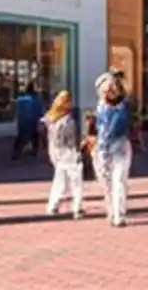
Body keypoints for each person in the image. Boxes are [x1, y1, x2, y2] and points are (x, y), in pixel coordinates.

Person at [93, 73, 133, 228]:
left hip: (118, 146)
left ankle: (118, 214)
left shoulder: (122, 106)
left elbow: (114, 127)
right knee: (107, 182)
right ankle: (113, 211)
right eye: (105, 88)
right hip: (103, 148)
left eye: (112, 87)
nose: (108, 91)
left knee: (118, 181)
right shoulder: (100, 106)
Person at [43, 91, 84, 219]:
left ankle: (52, 205)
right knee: (76, 181)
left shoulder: (50, 118)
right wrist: (78, 151)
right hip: (68, 152)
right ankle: (77, 207)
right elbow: (71, 140)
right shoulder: (68, 120)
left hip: (56, 151)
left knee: (59, 180)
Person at [12, 82, 44, 159]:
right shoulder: (36, 98)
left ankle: (17, 152)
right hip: (32, 119)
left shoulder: (21, 98)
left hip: (22, 119)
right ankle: (34, 151)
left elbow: (16, 109)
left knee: (21, 136)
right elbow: (39, 109)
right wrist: (40, 117)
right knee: (34, 135)